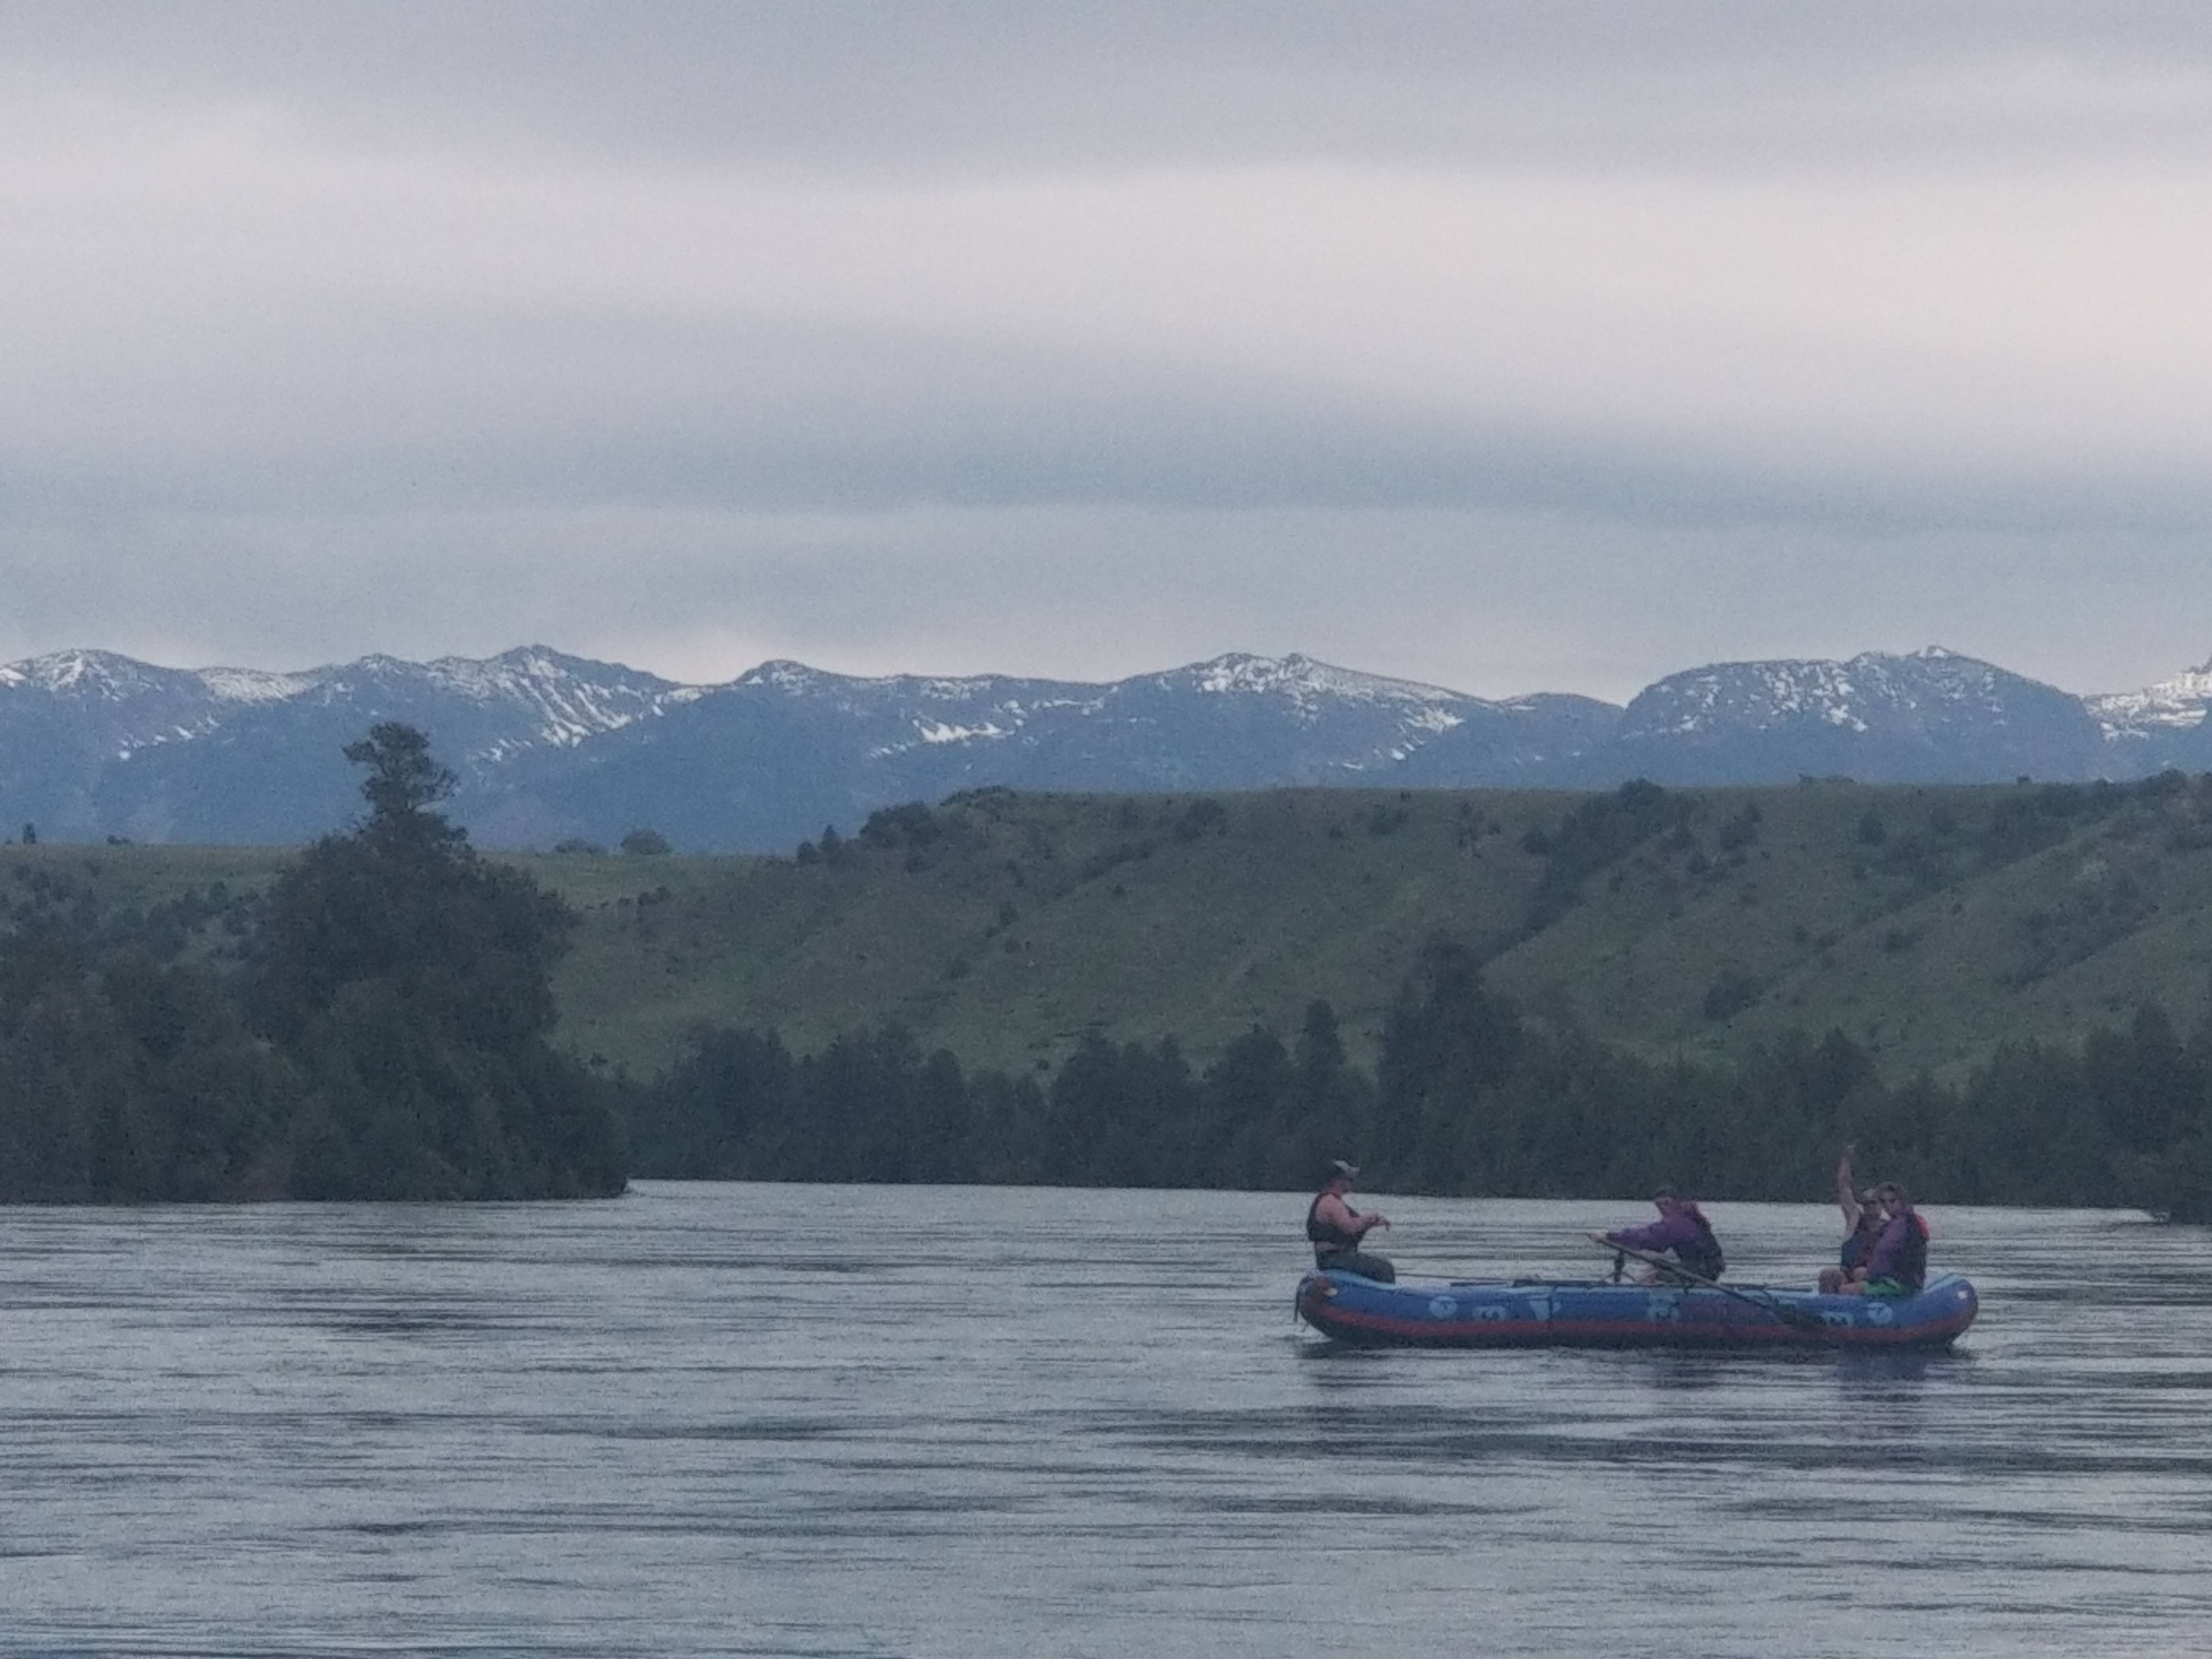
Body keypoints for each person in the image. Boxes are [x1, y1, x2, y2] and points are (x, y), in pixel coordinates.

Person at [1593, 1188, 1725, 1282]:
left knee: (1653, 1274)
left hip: (1703, 1272)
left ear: (1677, 1203)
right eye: (1658, 1204)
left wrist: (1610, 1236)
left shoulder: (1680, 1223)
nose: (1662, 1207)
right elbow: (1651, 1234)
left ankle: (1640, 1304)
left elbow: (1651, 1239)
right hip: (1700, 1270)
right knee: (1656, 1266)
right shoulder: (1683, 1219)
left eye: (1666, 1203)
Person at [1306, 1159, 1395, 1282]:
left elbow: (1351, 1230)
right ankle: (1387, 1299)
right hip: (1333, 1259)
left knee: (1383, 1261)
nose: (1351, 1182)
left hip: (1336, 1257)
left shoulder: (1334, 1201)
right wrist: (1369, 1218)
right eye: (1348, 1179)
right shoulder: (1330, 1202)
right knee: (1383, 1269)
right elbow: (1350, 1227)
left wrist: (1371, 1224)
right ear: (1338, 1180)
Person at [1819, 1144, 1888, 1295]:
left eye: (1874, 1203)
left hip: (1871, 1278)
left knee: (1862, 1273)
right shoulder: (1855, 1221)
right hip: (1848, 1274)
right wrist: (1845, 1161)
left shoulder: (1889, 1229)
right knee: (1828, 1275)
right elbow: (1844, 1188)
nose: (1870, 1207)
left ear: (1881, 1205)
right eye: (1866, 1204)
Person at [1843, 1182, 1929, 1298]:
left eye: (1892, 1201)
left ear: (1901, 1200)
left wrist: (1872, 1278)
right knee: (1859, 1274)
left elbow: (1884, 1254)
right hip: (1902, 1280)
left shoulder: (1901, 1225)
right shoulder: (1900, 1223)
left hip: (1900, 1284)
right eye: (1883, 1202)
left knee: (1846, 1290)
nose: (1888, 1205)